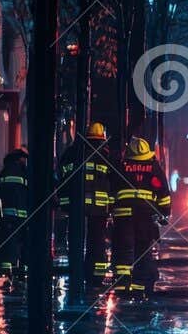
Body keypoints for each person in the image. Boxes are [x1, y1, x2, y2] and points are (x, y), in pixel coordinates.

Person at [111, 136, 171, 300]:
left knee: (124, 251)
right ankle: (139, 288)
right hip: (146, 217)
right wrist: (164, 213)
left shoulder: (121, 166)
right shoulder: (153, 167)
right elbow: (163, 194)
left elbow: (111, 188)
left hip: (123, 217)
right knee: (142, 252)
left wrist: (111, 210)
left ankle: (122, 287)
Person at [59, 122, 114, 282]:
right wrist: (111, 205)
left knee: (75, 240)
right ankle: (95, 276)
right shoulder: (106, 155)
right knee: (96, 242)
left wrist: (65, 201)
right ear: (102, 138)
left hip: (76, 205)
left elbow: (62, 175)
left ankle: (76, 272)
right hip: (99, 208)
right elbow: (114, 181)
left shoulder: (73, 152)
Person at [0, 148, 30, 282]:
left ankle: (7, 270)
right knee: (23, 243)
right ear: (19, 159)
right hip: (23, 216)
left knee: (9, 243)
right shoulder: (24, 173)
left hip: (7, 215)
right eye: (23, 159)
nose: (25, 161)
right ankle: (22, 269)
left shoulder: (3, 173)